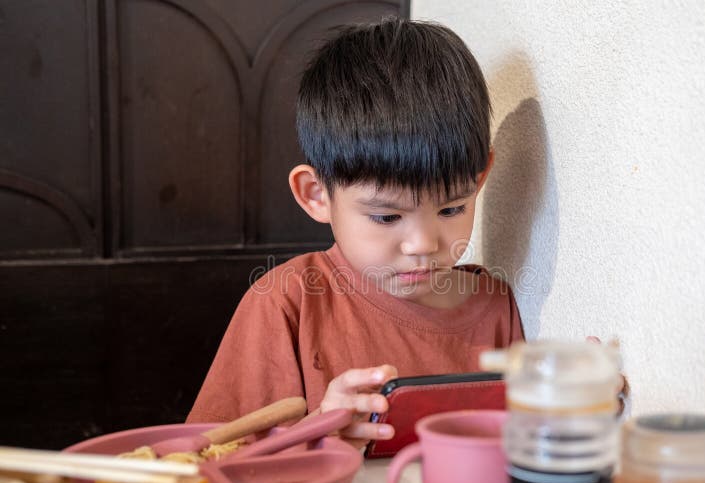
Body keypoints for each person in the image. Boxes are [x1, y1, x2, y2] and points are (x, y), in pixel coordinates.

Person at [186, 17, 526, 443]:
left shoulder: (496, 309)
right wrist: (318, 435)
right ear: (316, 195)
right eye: (387, 217)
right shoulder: (286, 305)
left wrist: (574, 400)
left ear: (481, 179)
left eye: (452, 208)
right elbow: (204, 461)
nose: (423, 244)